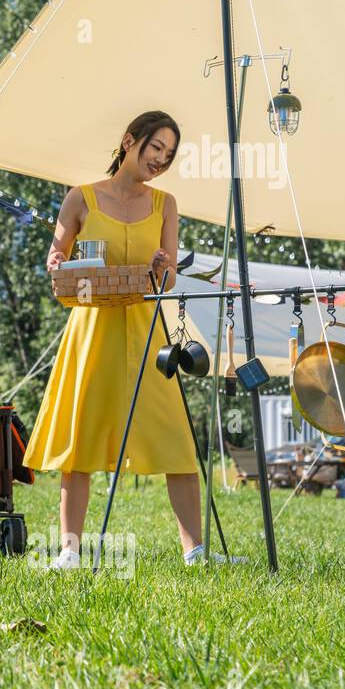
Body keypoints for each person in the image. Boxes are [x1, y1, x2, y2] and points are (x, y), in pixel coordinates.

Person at [24, 111, 210, 569]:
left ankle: (196, 552)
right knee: (81, 435)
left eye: (168, 155)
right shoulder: (80, 198)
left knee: (175, 436)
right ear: (130, 141)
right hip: (92, 330)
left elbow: (164, 282)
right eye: (155, 149)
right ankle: (69, 550)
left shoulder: (166, 203)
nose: (160, 161)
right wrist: (54, 260)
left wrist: (165, 266)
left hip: (148, 332)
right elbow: (58, 256)